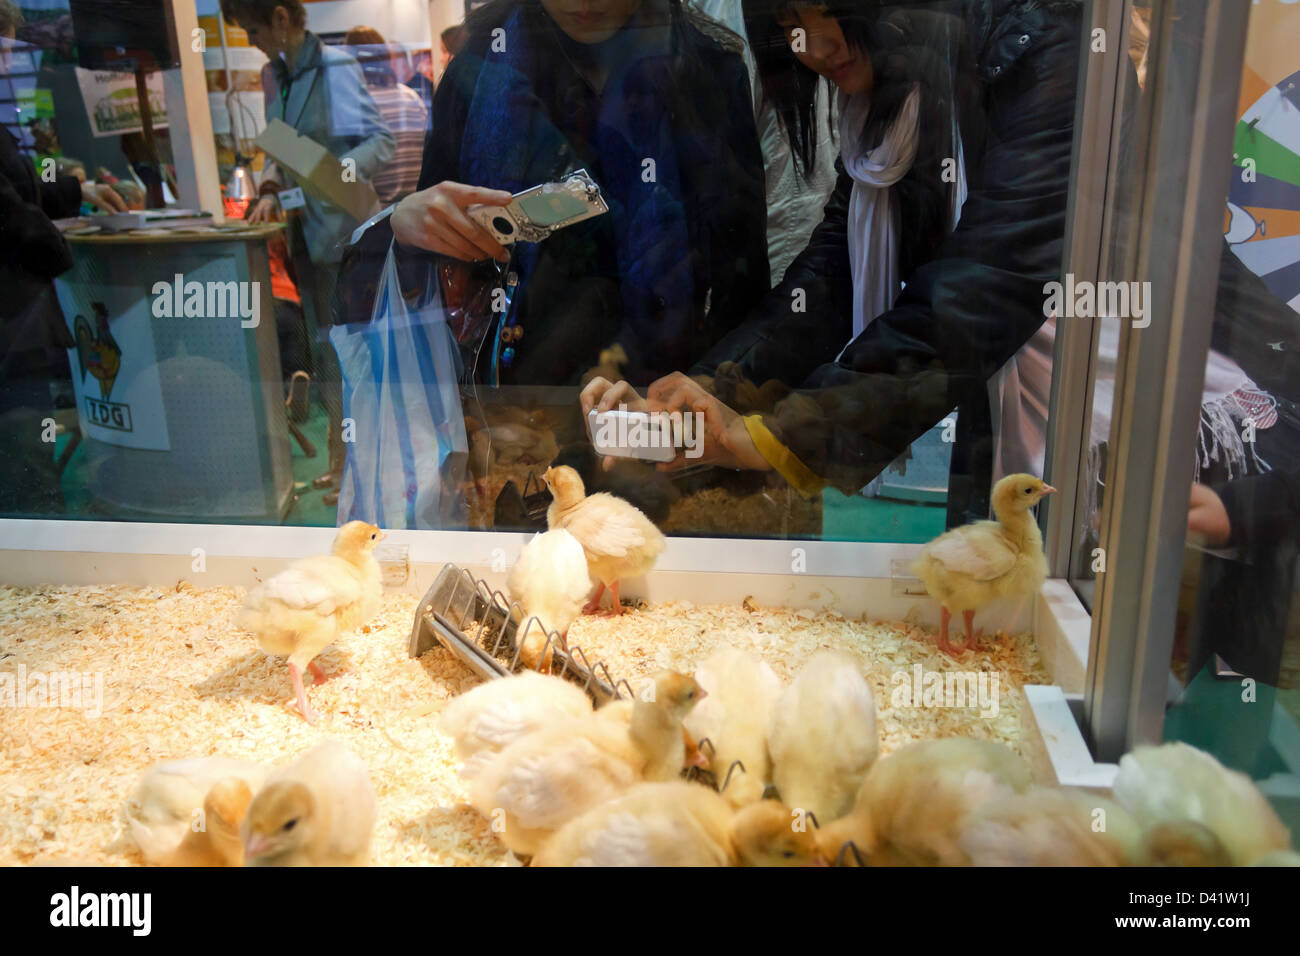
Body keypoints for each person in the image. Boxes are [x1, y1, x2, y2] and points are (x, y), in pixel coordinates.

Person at [584, 0, 1084, 526]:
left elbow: (987, 284)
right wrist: (710, 390)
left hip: (1079, 430)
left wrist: (784, 434)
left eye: (826, 11)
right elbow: (833, 273)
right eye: (788, 24)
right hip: (992, 434)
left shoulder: (1044, 44)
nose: (814, 47)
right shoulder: (892, 93)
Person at [390, 0, 770, 387]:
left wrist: (715, 387)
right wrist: (405, 225)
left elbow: (740, 281)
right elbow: (436, 229)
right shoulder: (483, 65)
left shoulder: (707, 71)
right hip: (515, 394)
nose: (583, 2)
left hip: (665, 393)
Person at [220, 0, 394, 505]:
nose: (250, 39)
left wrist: (331, 174)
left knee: (353, 353)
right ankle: (340, 464)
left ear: (280, 17)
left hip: (343, 234)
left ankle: (364, 468)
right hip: (301, 237)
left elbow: (379, 142)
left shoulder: (337, 67)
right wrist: (271, 186)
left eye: (253, 27)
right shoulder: (272, 76)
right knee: (326, 355)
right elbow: (278, 150)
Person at [1, 0, 127, 515]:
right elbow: (10, 214)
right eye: (4, 48)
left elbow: (27, 182)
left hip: (15, 321)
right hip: (9, 322)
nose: (9, 63)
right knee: (22, 451)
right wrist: (64, 251)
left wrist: (81, 188)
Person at [344, 26, 428, 204]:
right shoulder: (411, 96)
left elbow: (352, 171)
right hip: (417, 206)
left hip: (378, 215)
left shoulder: (357, 103)